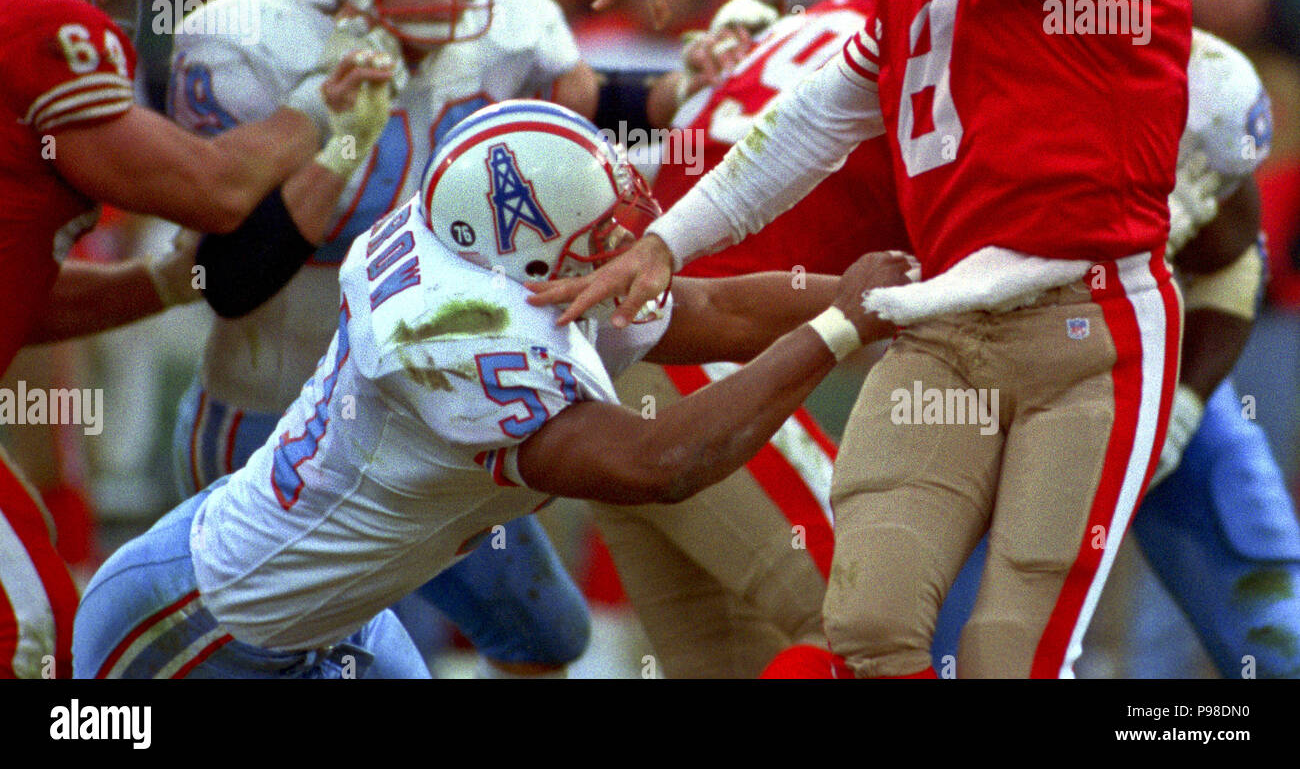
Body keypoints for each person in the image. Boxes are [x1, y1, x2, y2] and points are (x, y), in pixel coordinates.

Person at [531, 0, 1193, 677]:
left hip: (1086, 322)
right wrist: (668, 240)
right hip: (938, 318)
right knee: (866, 628)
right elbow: (810, 122)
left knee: (1008, 653)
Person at [71, 100, 908, 679]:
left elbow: (714, 309)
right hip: (198, 621)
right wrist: (837, 329)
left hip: (323, 618)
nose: (622, 251)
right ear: (529, 260)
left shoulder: (491, 258)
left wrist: (885, 296)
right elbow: (664, 461)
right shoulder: (460, 345)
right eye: (601, 238)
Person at [166, 0, 600, 676]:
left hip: (430, 417)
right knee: (303, 661)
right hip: (270, 427)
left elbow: (589, 101)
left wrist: (683, 87)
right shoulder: (258, 45)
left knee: (549, 635)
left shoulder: (511, 30)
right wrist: (335, 138)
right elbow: (231, 278)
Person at [0, 0, 391, 679]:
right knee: (33, 641)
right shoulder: (33, 29)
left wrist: (165, 281)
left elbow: (23, 301)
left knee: (58, 629)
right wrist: (320, 105)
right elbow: (215, 189)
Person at [592, 0, 909, 677]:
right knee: (871, 622)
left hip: (615, 366)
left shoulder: (814, 21)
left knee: (729, 662)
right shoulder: (933, 37)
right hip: (705, 359)